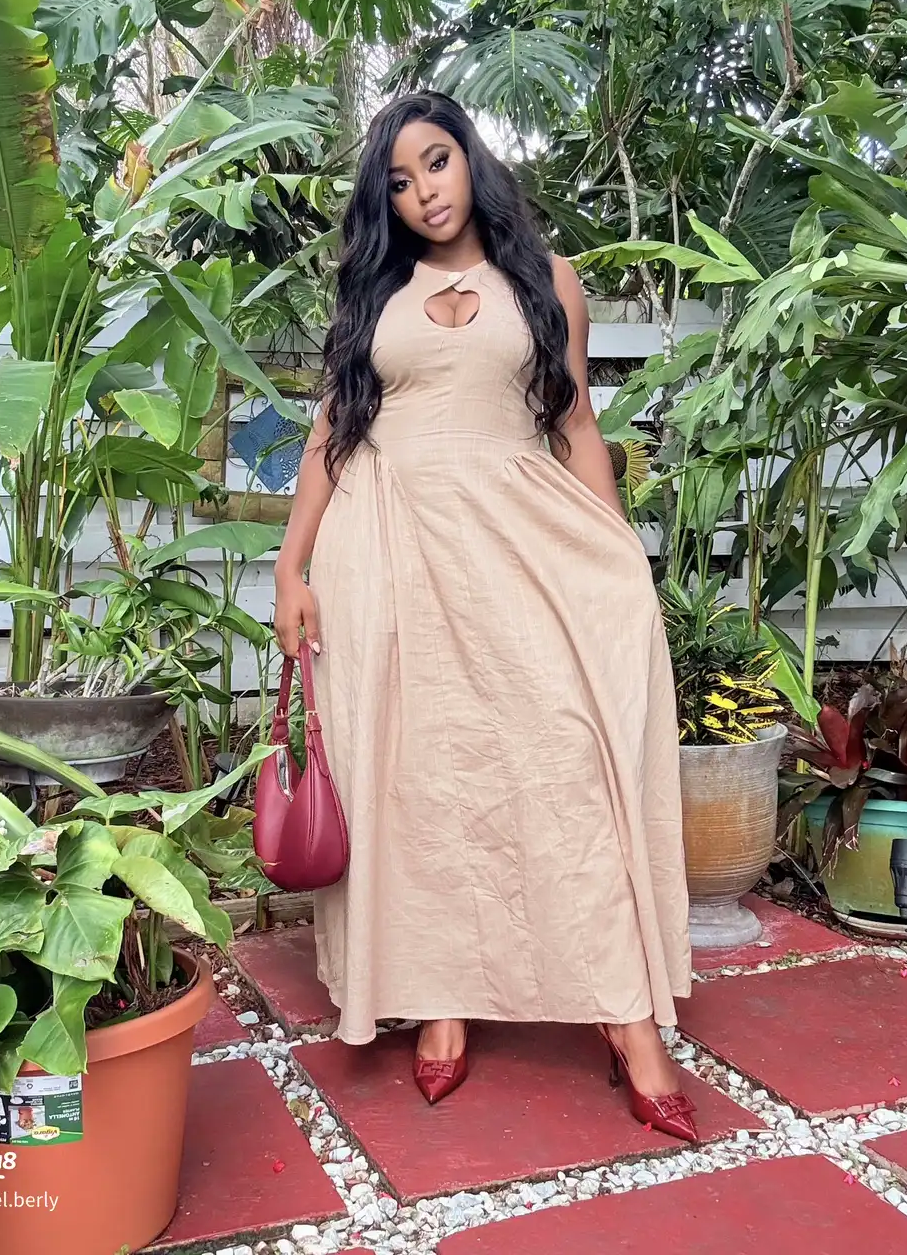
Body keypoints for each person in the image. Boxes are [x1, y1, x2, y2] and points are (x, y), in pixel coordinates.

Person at [273, 91, 695, 1139]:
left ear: (472, 157)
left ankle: (625, 1015)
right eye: (401, 182)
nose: (423, 193)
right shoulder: (376, 298)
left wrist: (614, 552)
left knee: (560, 760)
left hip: (517, 544)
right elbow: (333, 436)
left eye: (436, 164)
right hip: (388, 550)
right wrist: (292, 568)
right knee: (419, 776)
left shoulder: (546, 282)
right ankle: (443, 997)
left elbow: (577, 420)